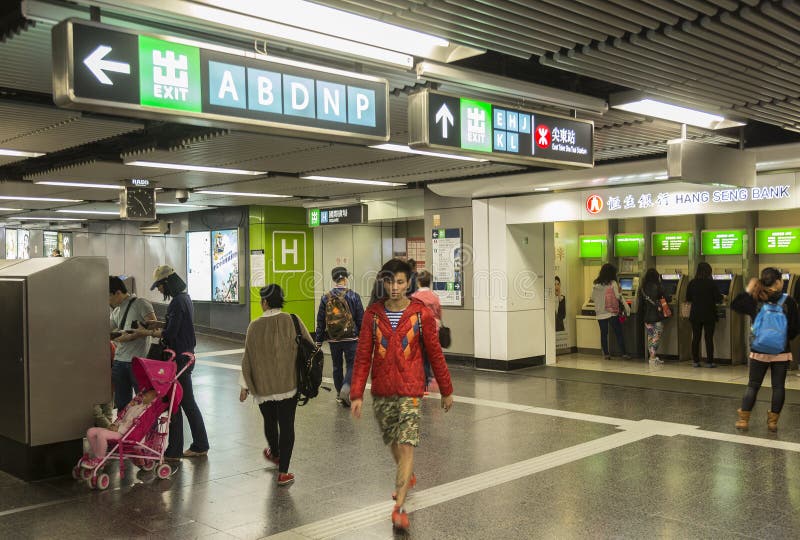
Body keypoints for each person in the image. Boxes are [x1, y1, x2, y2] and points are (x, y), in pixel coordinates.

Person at [350, 258, 454, 531]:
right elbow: (362, 357)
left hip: (410, 390)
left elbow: (434, 353)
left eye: (399, 281)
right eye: (389, 281)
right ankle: (407, 476)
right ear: (383, 282)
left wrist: (446, 390)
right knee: (393, 443)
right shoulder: (373, 315)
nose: (394, 287)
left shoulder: (421, 314)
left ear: (409, 283)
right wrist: (357, 393)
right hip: (382, 391)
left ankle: (400, 509)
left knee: (406, 446)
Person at [239, 285, 311, 486]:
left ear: (265, 302)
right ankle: (283, 472)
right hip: (288, 384)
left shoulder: (254, 326)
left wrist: (245, 385)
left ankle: (275, 452)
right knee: (287, 425)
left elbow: (248, 358)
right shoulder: (293, 320)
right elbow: (310, 346)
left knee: (269, 421)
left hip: (262, 387)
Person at [140, 265, 209, 460]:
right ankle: (199, 444)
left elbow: (171, 333)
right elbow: (176, 326)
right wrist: (159, 324)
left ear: (167, 282)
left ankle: (176, 449)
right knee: (186, 402)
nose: (159, 290)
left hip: (178, 360)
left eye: (160, 286)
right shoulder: (185, 299)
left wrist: (146, 332)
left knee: (176, 403)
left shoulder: (177, 302)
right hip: (185, 357)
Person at [731, 268, 799, 432]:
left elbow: (735, 305)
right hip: (781, 352)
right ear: (777, 282)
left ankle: (743, 419)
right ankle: (773, 422)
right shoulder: (788, 301)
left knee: (753, 385)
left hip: (759, 350)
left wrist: (749, 289)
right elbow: (795, 328)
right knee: (778, 387)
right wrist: (782, 339)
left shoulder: (756, 298)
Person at [314, 267, 365, 407]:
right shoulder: (354, 296)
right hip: (351, 338)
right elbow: (361, 320)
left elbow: (320, 321)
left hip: (333, 339)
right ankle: (346, 388)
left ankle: (338, 394)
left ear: (334, 279)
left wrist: (318, 341)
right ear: (345, 278)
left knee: (336, 366)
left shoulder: (326, 297)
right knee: (352, 364)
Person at [109, 276, 157, 411]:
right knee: (122, 404)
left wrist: (132, 336)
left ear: (118, 292)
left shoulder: (141, 303)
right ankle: (125, 431)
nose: (108, 301)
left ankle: (147, 431)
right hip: (119, 361)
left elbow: (154, 327)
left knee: (145, 402)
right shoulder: (116, 310)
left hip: (137, 362)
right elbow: (107, 328)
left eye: (109, 297)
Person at [83, 389, 158, 468]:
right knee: (90, 431)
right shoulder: (135, 406)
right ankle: (97, 455)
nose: (144, 395)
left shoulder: (146, 413)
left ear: (154, 399)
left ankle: (99, 459)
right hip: (119, 429)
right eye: (145, 394)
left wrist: (118, 428)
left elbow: (135, 427)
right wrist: (114, 425)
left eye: (148, 395)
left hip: (126, 433)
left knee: (101, 434)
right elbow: (122, 419)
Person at [686, 262, 723, 368]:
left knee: (696, 338)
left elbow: (688, 298)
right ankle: (710, 361)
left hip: (695, 314)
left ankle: (695, 361)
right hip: (709, 314)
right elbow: (718, 298)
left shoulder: (692, 283)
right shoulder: (711, 283)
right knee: (708, 338)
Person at [591, 263, 630, 360]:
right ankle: (624, 353)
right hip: (611, 312)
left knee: (603, 334)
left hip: (600, 313)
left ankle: (606, 354)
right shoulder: (613, 283)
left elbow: (592, 297)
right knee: (618, 333)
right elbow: (618, 297)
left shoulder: (596, 284)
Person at [411, 270, 442, 390]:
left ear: (418, 282)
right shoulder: (434, 297)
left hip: (418, 331)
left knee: (420, 355)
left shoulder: (414, 297)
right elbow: (439, 313)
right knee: (429, 355)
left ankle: (422, 379)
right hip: (433, 330)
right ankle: (428, 377)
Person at [637, 269, 669, 366]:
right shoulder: (658, 287)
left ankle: (653, 357)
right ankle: (652, 358)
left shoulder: (642, 288)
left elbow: (641, 303)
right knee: (656, 337)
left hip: (647, 317)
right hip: (657, 316)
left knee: (650, 337)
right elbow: (666, 298)